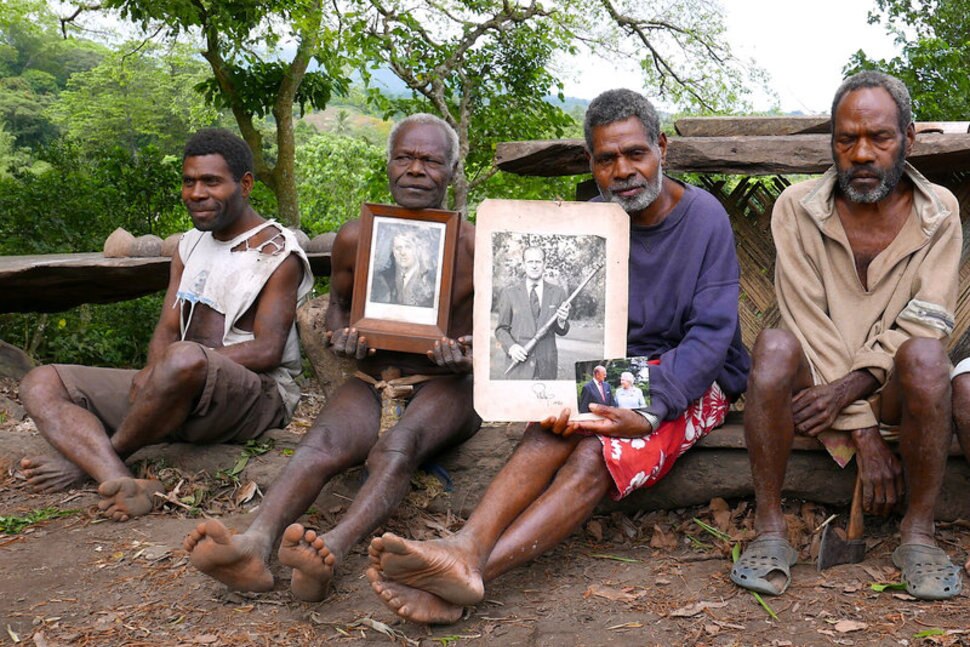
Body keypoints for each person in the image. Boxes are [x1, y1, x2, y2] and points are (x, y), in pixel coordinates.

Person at [367, 88, 750, 624]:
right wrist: (530, 383)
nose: (623, 171)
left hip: (689, 375)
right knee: (553, 428)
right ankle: (464, 545)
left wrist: (649, 410)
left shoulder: (704, 217)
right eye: (606, 159)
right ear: (591, 163)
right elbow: (569, 331)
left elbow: (711, 336)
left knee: (595, 453)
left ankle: (469, 577)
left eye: (636, 153)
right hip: (614, 370)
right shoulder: (588, 222)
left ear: (662, 148)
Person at [183, 113, 480, 603]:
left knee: (398, 447)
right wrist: (341, 334)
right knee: (319, 445)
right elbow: (340, 305)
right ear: (389, 165)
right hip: (371, 375)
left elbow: (497, 335)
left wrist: (464, 356)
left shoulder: (474, 246)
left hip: (446, 385)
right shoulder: (358, 237)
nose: (415, 169)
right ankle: (254, 544)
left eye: (430, 161)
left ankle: (332, 550)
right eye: (404, 158)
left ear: (452, 169)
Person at [732, 71, 963, 601]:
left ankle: (919, 533)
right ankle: (770, 528)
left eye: (879, 138)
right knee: (773, 346)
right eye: (846, 139)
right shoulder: (796, 208)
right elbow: (805, 321)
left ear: (909, 138)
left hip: (889, 391)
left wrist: (850, 395)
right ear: (832, 143)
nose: (861, 154)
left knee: (928, 357)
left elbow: (928, 321)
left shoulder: (939, 211)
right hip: (817, 385)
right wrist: (861, 431)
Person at [18, 128, 313, 522]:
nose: (196, 193)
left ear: (245, 185)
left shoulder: (276, 253)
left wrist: (172, 367)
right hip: (176, 390)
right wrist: (157, 371)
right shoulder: (190, 245)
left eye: (211, 181)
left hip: (253, 399)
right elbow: (168, 328)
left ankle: (97, 458)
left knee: (183, 357)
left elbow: (267, 350)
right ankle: (120, 479)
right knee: (40, 382)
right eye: (189, 182)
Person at [494, 246, 571, 380]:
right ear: (524, 264)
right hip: (518, 367)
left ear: (544, 264)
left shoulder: (558, 293)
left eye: (538, 261)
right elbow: (501, 329)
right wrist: (511, 347)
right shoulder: (509, 293)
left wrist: (562, 321)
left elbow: (562, 330)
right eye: (530, 262)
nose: (534, 266)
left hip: (547, 367)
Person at [371, 230, 436, 307]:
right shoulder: (384, 278)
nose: (402, 253)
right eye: (398, 248)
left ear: (418, 250)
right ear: (393, 251)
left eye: (408, 247)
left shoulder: (430, 279)